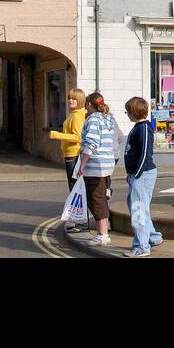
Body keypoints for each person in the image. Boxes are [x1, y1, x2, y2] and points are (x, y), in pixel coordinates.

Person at [123, 96, 164, 258]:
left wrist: (136, 175)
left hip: (143, 175)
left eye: (128, 112)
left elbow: (145, 154)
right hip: (138, 174)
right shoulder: (138, 127)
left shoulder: (144, 128)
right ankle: (153, 237)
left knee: (138, 210)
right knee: (140, 207)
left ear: (134, 112)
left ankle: (141, 246)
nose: (127, 115)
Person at [75, 91, 117, 246]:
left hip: (95, 166)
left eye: (86, 105)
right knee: (101, 198)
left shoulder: (93, 119)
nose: (85, 108)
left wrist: (82, 164)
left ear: (90, 105)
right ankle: (103, 232)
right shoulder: (107, 118)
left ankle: (103, 234)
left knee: (96, 199)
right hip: (106, 164)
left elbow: (91, 143)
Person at [48, 88, 87, 191]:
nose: (70, 100)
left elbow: (78, 137)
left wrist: (57, 135)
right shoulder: (74, 114)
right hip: (71, 154)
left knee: (74, 185)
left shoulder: (76, 116)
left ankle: (77, 207)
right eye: (69, 98)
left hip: (74, 154)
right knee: (74, 184)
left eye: (74, 99)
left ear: (80, 100)